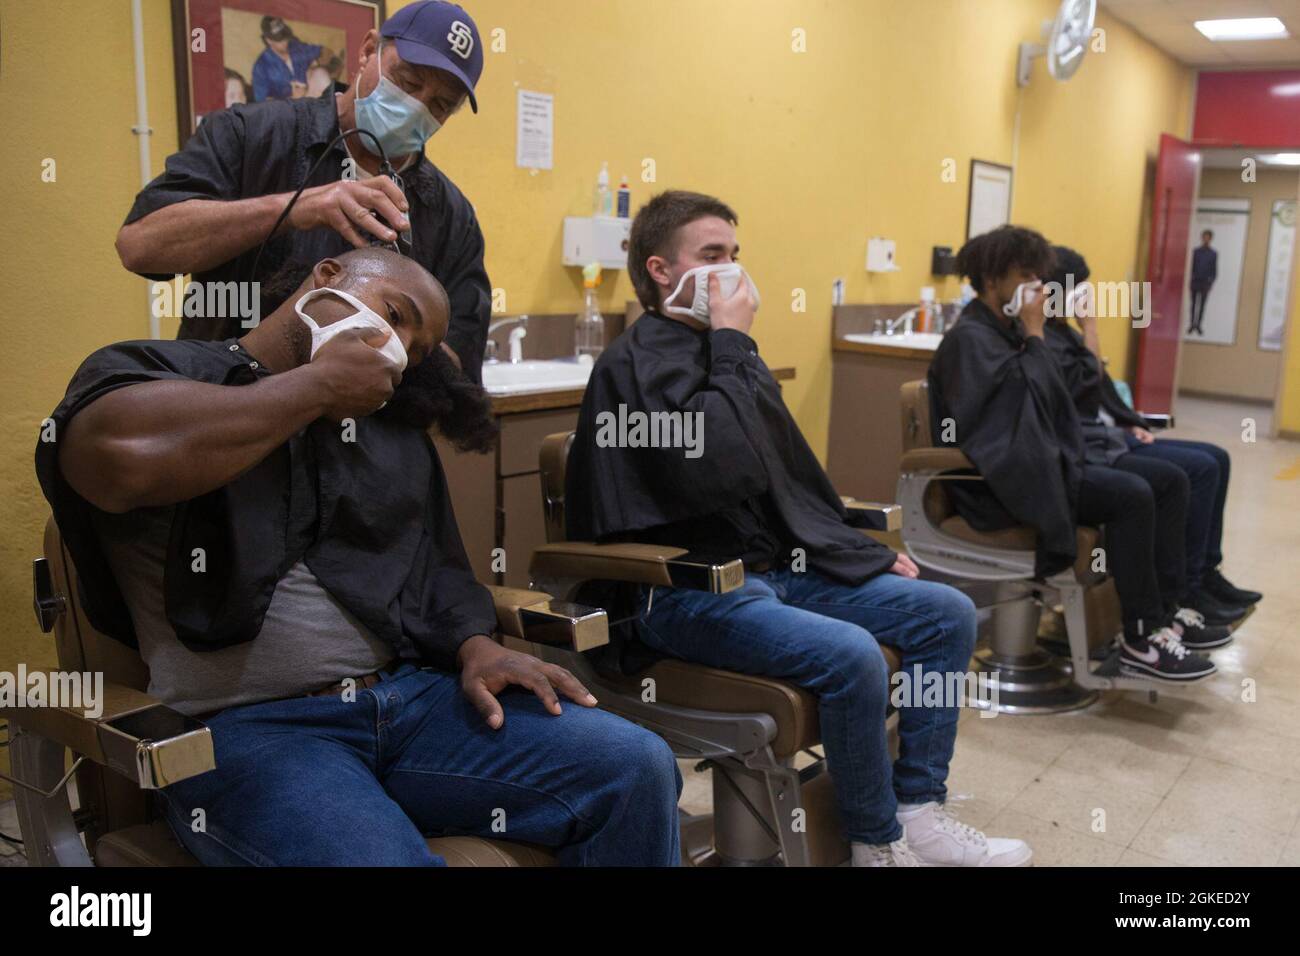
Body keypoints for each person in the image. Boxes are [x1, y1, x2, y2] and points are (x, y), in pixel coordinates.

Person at [35, 247, 681, 867]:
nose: (396, 348)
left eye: (414, 349)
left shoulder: (382, 433)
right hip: (253, 733)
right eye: (395, 314)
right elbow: (112, 458)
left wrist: (477, 645)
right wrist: (313, 389)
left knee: (635, 768)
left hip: (413, 708)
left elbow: (434, 573)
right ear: (328, 274)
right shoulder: (166, 372)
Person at [566, 190, 1033, 868]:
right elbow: (715, 469)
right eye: (712, 256)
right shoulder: (632, 366)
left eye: (735, 255)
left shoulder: (734, 358)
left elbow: (789, 477)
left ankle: (919, 810)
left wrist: (854, 550)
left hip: (775, 571)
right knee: (850, 656)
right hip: (682, 592)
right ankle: (875, 843)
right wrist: (731, 342)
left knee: (946, 613)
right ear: (661, 269)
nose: (732, 272)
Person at [116, 1, 492, 384]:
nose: (416, 106)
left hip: (365, 435)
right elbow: (140, 245)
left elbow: (457, 367)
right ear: (367, 51)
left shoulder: (451, 216)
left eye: (440, 105)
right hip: (224, 410)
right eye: (408, 82)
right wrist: (297, 208)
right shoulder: (251, 135)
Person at [928, 226, 1218, 678]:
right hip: (999, 483)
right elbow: (1033, 406)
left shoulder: (1006, 330)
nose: (1040, 288)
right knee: (1131, 494)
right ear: (990, 280)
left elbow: (1065, 397)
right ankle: (1140, 639)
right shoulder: (971, 340)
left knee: (1166, 481)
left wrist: (1036, 333)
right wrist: (1037, 334)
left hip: (1034, 467)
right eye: (1027, 276)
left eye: (1040, 277)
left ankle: (1163, 616)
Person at [1043, 245, 1260, 626]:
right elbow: (1084, 384)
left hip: (1109, 434)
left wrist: (1129, 420)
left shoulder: (1062, 332)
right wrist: (1090, 327)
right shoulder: (1045, 337)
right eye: (1081, 289)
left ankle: (1206, 571)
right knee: (1197, 469)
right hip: (1090, 446)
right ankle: (1185, 588)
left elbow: (1100, 390)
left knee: (1217, 458)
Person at [251, 16, 324, 102]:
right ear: (268, 40)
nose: (284, 42)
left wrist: (314, 68)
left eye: (285, 36)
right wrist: (291, 99)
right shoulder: (261, 66)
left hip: (312, 101)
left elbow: (325, 52)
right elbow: (262, 104)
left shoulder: (296, 46)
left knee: (320, 74)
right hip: (286, 111)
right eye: (279, 39)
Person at [1188, 230, 1217, 336]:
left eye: (1207, 237)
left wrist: (1210, 283)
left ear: (1210, 239)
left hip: (1205, 283)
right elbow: (1191, 267)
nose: (1205, 239)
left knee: (1202, 306)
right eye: (1204, 236)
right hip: (1195, 282)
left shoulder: (1213, 254)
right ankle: (1192, 324)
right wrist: (1190, 279)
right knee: (1193, 305)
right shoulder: (1196, 252)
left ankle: (1199, 325)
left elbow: (1214, 270)